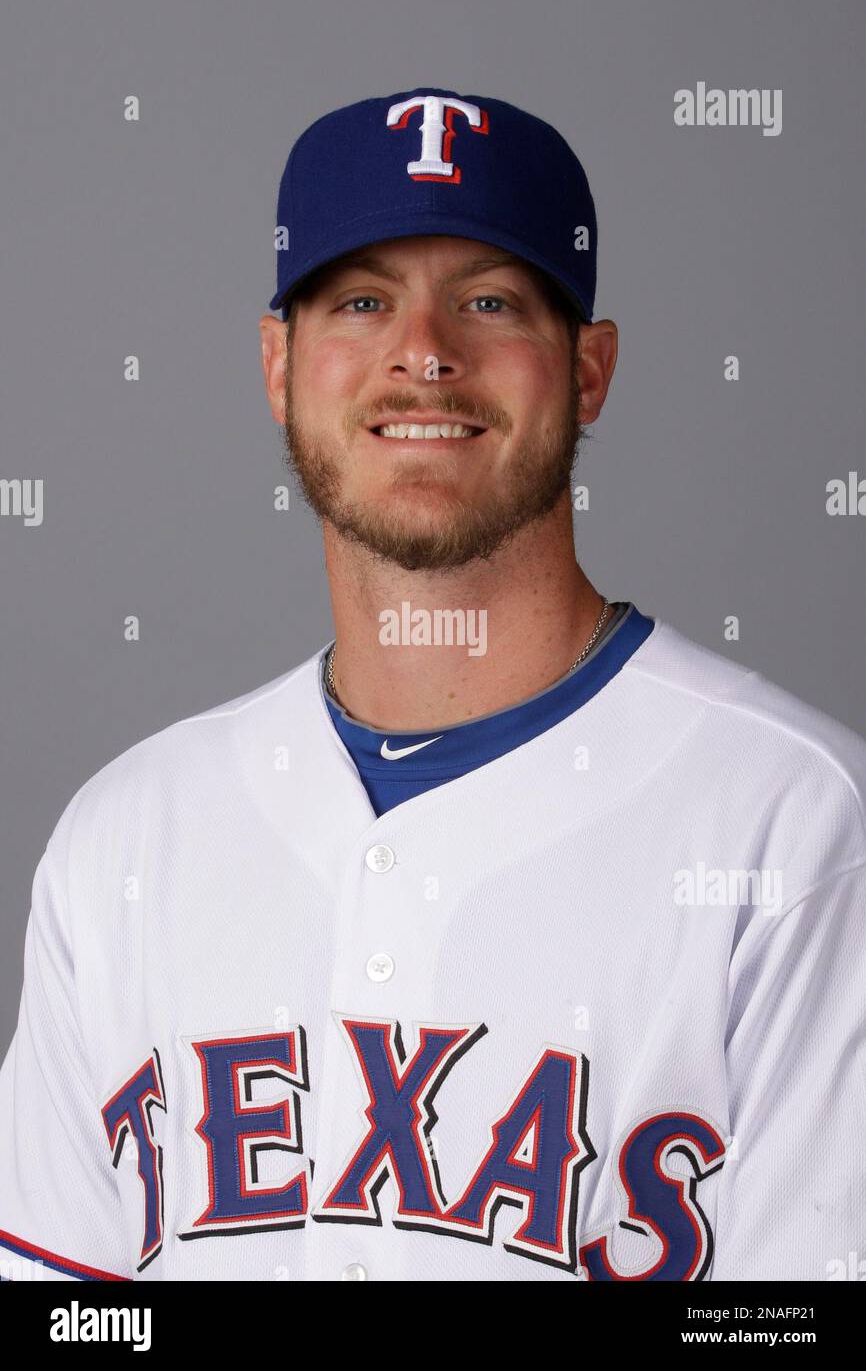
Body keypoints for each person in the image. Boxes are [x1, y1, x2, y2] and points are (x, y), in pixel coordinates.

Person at [1, 88, 864, 1284]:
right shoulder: (121, 841)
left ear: (589, 368)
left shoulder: (796, 824)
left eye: (489, 300)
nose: (424, 352)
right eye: (361, 299)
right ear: (277, 363)